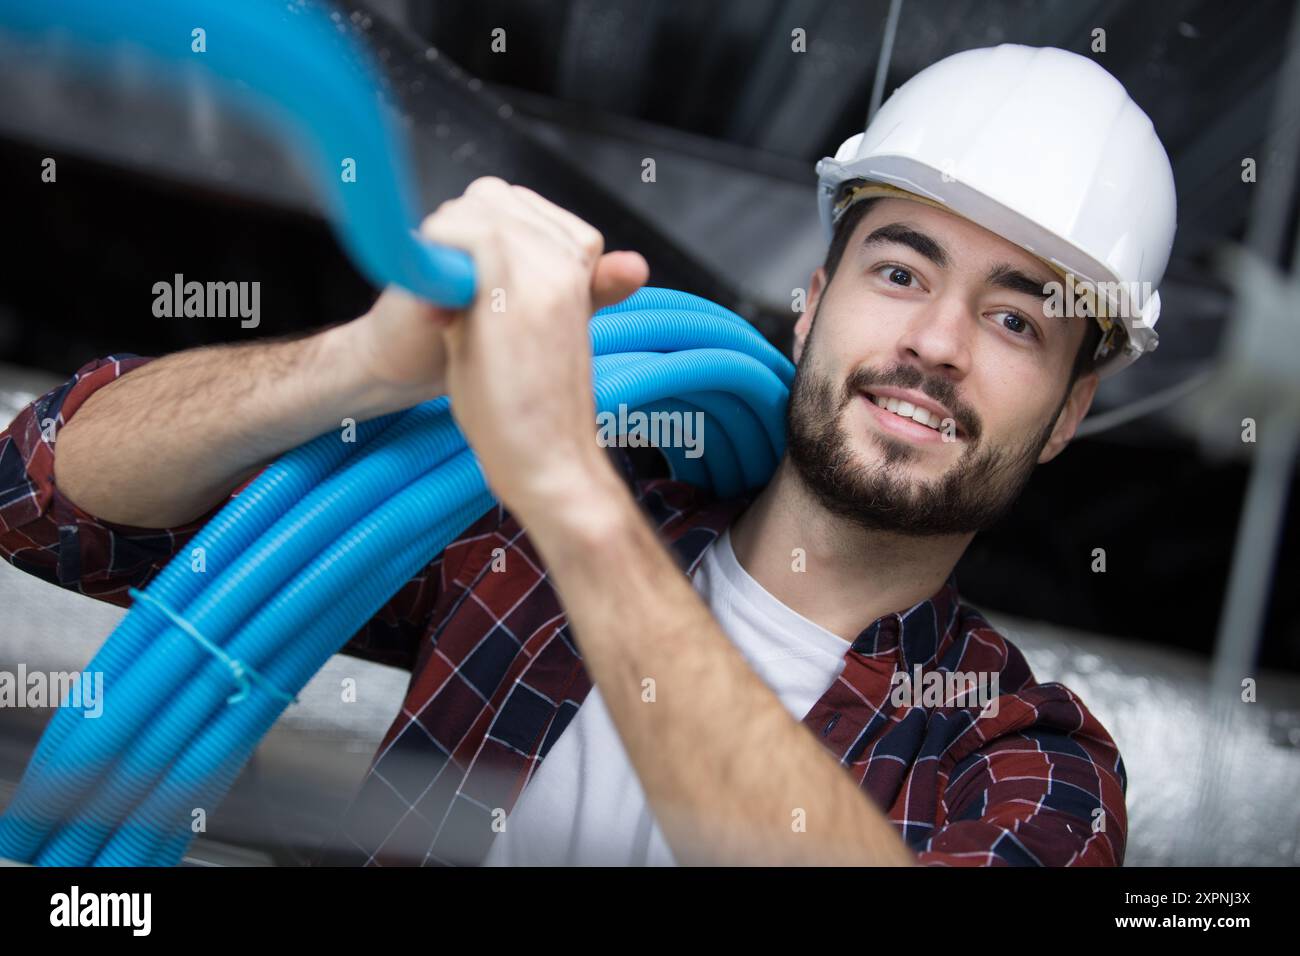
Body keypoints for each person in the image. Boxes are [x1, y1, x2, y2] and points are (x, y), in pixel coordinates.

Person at [0, 44, 1174, 866]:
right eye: (901, 270)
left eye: (1017, 317)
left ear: (1071, 409)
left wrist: (565, 480)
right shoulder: (505, 540)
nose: (934, 341)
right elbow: (43, 500)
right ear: (811, 305)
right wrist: (360, 367)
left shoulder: (1027, 762)